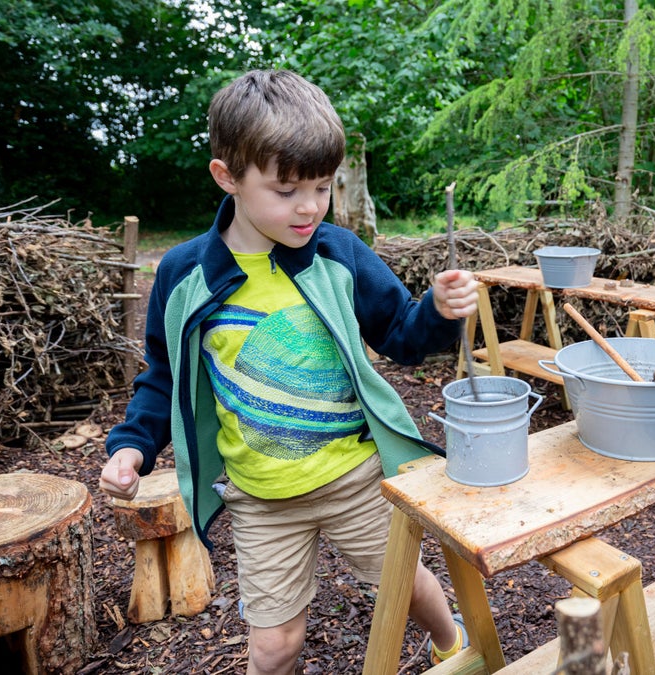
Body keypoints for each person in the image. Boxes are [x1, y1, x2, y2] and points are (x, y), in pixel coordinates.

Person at [98, 69, 477, 674]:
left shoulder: (338, 253)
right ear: (228, 177)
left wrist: (437, 311)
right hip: (261, 498)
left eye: (324, 187)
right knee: (273, 647)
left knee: (408, 587)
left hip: (356, 478)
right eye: (286, 190)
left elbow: (403, 338)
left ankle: (452, 643)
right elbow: (163, 377)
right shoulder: (183, 274)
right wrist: (132, 447)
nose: (310, 207)